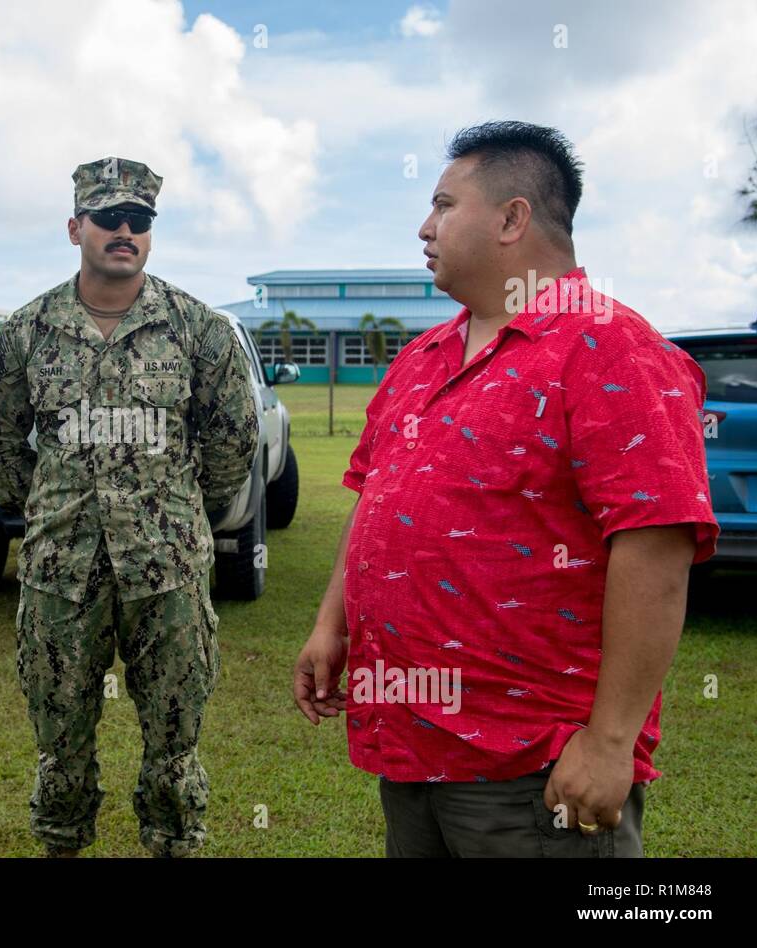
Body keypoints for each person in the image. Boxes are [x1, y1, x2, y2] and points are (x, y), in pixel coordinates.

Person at [293, 121, 719, 857]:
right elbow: (373, 498)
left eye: (443, 205)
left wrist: (610, 743)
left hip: (532, 763)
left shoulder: (610, 349)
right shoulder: (422, 358)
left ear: (512, 217)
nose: (424, 228)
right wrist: (332, 624)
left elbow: (655, 547)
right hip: (410, 741)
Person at [0, 157, 258, 856]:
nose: (124, 230)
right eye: (108, 218)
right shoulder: (23, 335)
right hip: (59, 579)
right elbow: (4, 451)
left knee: (173, 745)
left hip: (166, 575)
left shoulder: (200, 331)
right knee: (60, 746)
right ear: (77, 227)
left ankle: (172, 844)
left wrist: (179, 515)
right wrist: (54, 514)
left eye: (139, 220)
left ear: (151, 234)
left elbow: (231, 445)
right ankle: (62, 845)